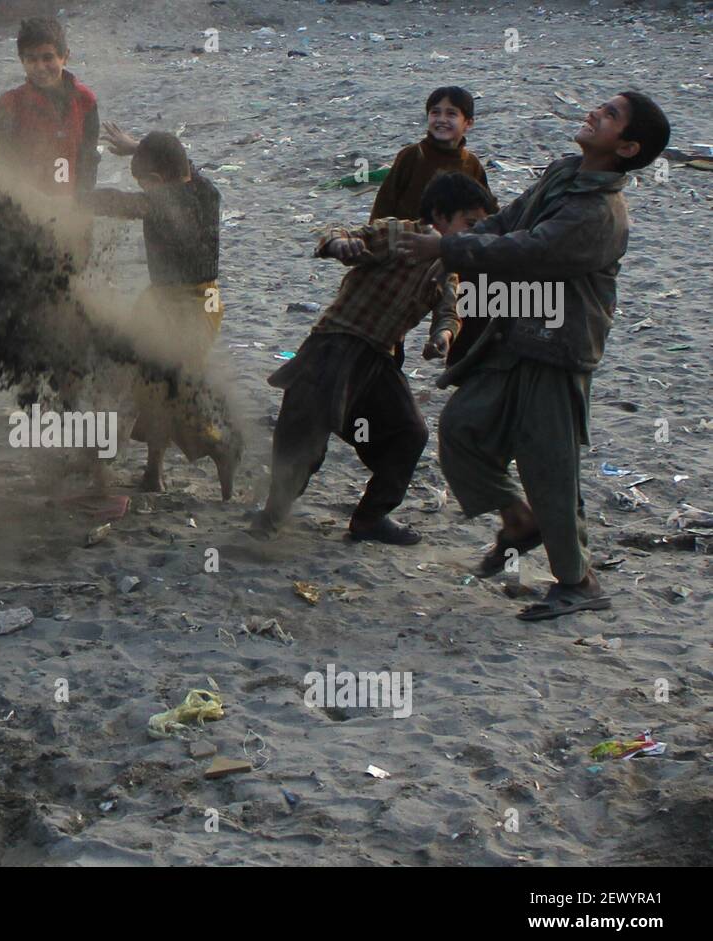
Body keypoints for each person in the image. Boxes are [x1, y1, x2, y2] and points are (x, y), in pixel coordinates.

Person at [398, 92, 671, 620]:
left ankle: (578, 581)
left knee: (550, 468)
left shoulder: (600, 213)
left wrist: (448, 250)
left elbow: (532, 250)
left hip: (559, 349)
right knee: (461, 429)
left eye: (610, 116)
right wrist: (453, 245)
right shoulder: (564, 172)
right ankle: (521, 521)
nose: (594, 113)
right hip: (518, 333)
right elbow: (508, 223)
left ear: (628, 146)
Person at [249, 172, 497, 544]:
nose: (474, 234)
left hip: (378, 360)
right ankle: (272, 516)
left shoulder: (448, 267)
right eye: (470, 224)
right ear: (441, 217)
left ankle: (369, 517)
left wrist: (442, 337)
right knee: (303, 441)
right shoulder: (397, 234)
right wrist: (339, 246)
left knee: (409, 433)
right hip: (335, 346)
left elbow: (449, 312)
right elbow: (340, 235)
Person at [84, 129, 242, 500]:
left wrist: (67, 198)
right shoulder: (205, 188)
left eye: (144, 183)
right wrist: (138, 148)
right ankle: (153, 472)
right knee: (153, 387)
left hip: (188, 306)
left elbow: (117, 203)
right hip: (182, 300)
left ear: (154, 182)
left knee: (170, 387)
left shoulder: (160, 202)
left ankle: (219, 447)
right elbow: (180, 161)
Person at [0, 17, 100, 406]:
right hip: (25, 222)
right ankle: (38, 395)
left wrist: (82, 214)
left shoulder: (86, 102)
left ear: (65, 57)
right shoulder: (11, 105)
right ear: (21, 63)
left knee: (53, 310)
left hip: (68, 218)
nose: (41, 66)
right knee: (43, 309)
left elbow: (88, 162)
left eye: (48, 57)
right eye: (31, 60)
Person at [371, 86, 492, 368]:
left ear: (468, 123)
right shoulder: (412, 157)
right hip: (407, 252)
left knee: (466, 306)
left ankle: (457, 361)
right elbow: (384, 205)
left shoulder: (471, 165)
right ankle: (386, 370)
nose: (441, 119)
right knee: (390, 323)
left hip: (451, 254)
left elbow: (485, 212)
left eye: (452, 113)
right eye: (435, 112)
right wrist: (379, 245)